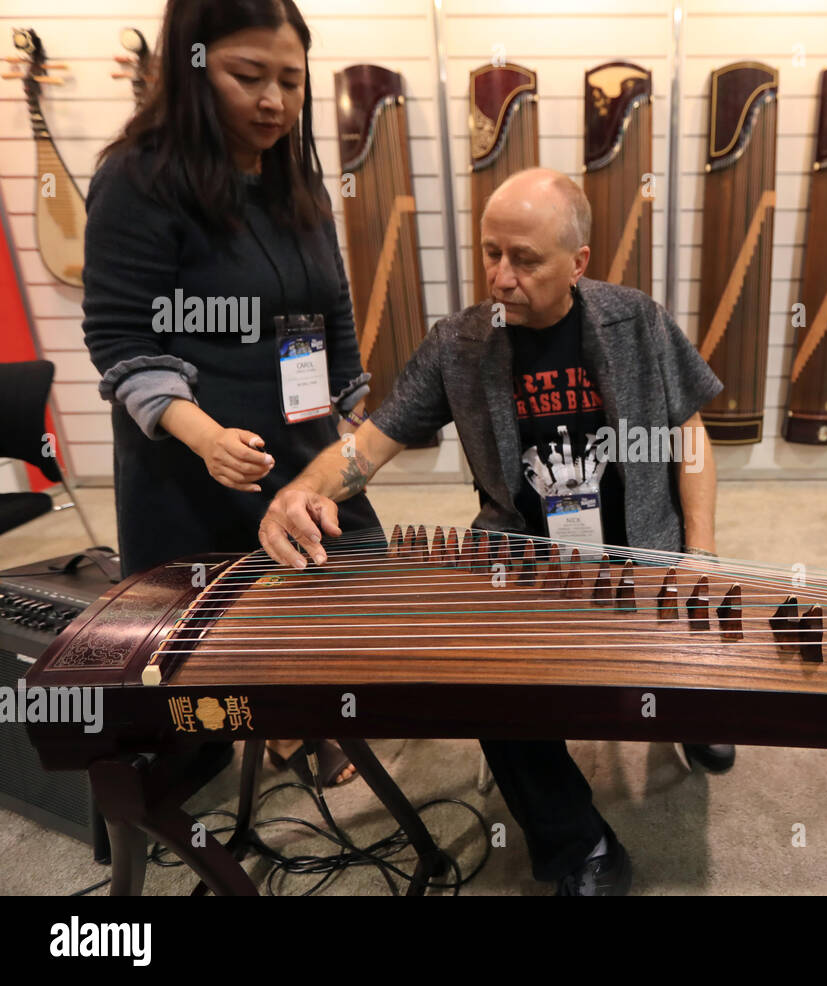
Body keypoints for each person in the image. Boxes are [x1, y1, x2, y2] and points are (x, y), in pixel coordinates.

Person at [257, 167, 736, 894]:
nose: (501, 277)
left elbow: (689, 435)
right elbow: (369, 445)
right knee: (486, 684)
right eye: (490, 253)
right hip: (526, 562)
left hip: (640, 551)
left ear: (578, 262)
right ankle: (580, 847)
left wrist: (698, 552)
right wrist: (301, 489)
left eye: (526, 259)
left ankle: (694, 705)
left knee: (689, 654)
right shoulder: (461, 344)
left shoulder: (635, 319)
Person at [82, 0, 379, 786]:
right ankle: (272, 728)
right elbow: (121, 341)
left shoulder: (287, 171)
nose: (275, 102)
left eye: (291, 80)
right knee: (229, 628)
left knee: (344, 586)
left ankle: (309, 713)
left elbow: (331, 303)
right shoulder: (137, 179)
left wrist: (355, 409)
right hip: (201, 459)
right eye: (248, 77)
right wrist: (205, 436)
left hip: (303, 437)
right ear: (191, 65)